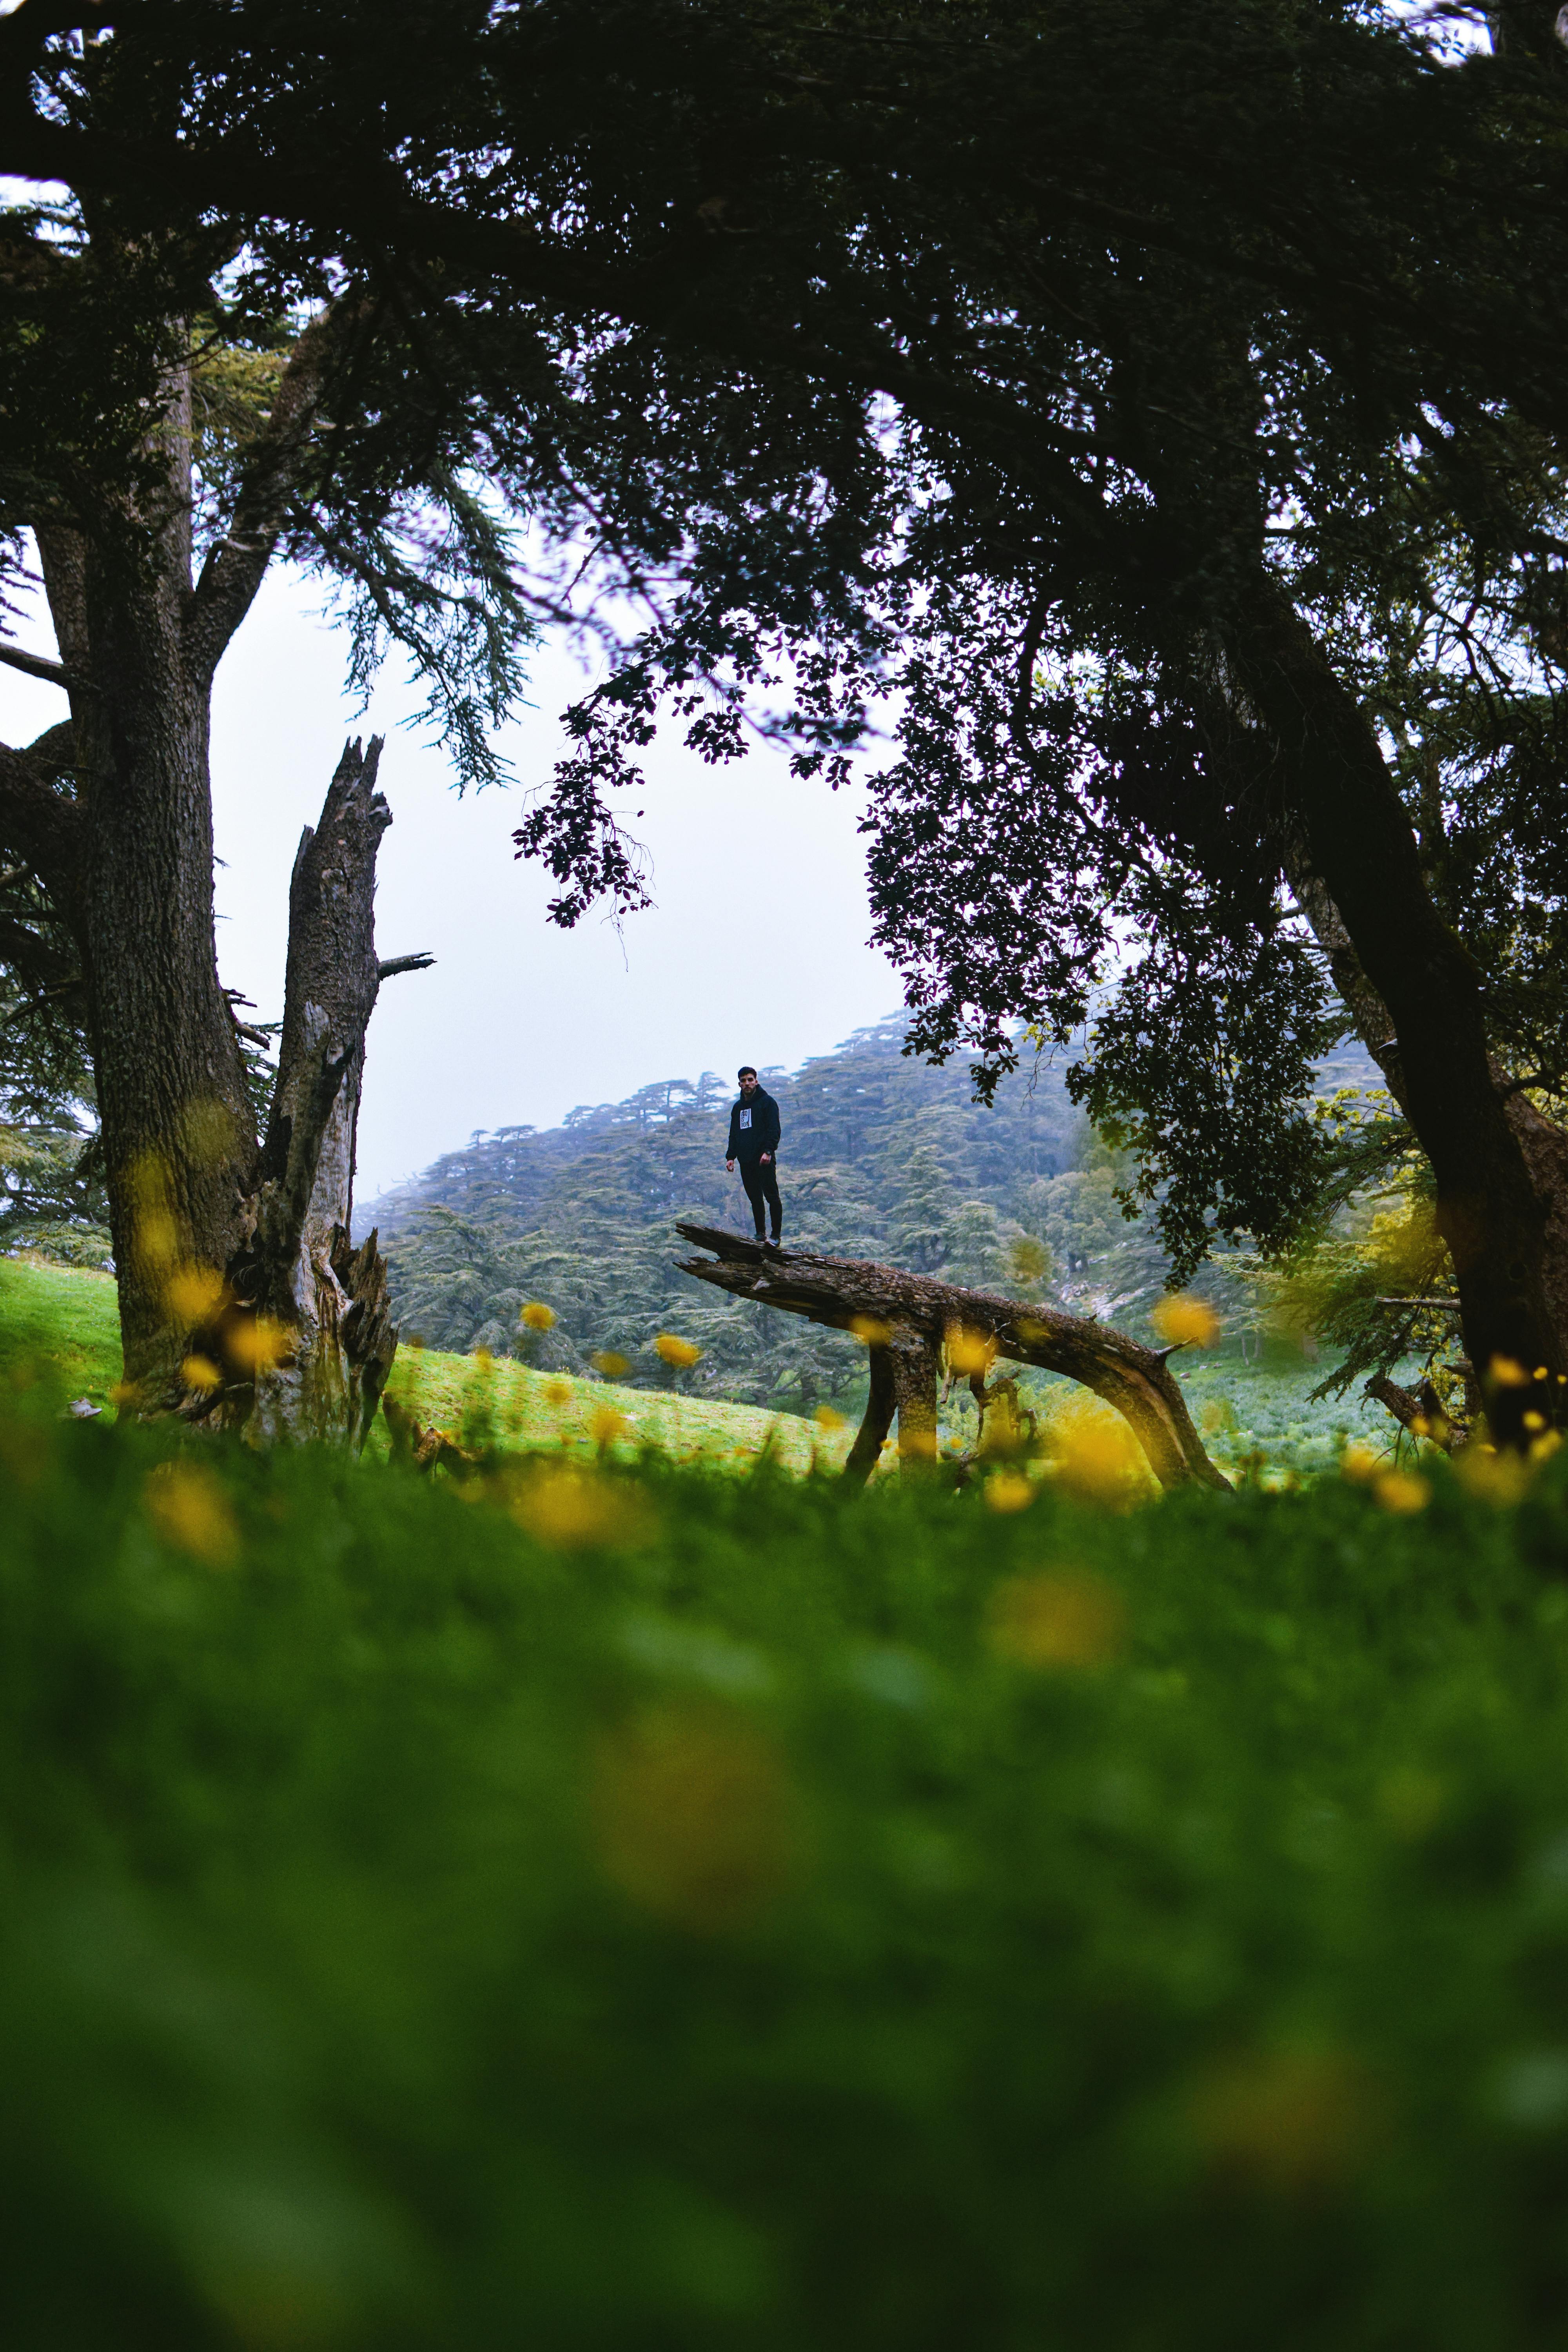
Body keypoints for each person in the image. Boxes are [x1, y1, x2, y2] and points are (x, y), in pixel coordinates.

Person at [726, 1065, 782, 1246]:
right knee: (755, 1199)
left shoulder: (768, 1102)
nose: (747, 1083)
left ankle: (776, 1236)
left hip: (764, 1159)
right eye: (744, 1081)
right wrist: (731, 1157)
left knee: (772, 1196)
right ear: (740, 1084)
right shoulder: (738, 1108)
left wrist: (768, 1151)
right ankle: (761, 1234)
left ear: (756, 1081)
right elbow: (734, 1133)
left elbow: (774, 1129)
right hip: (746, 1160)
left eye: (750, 1080)